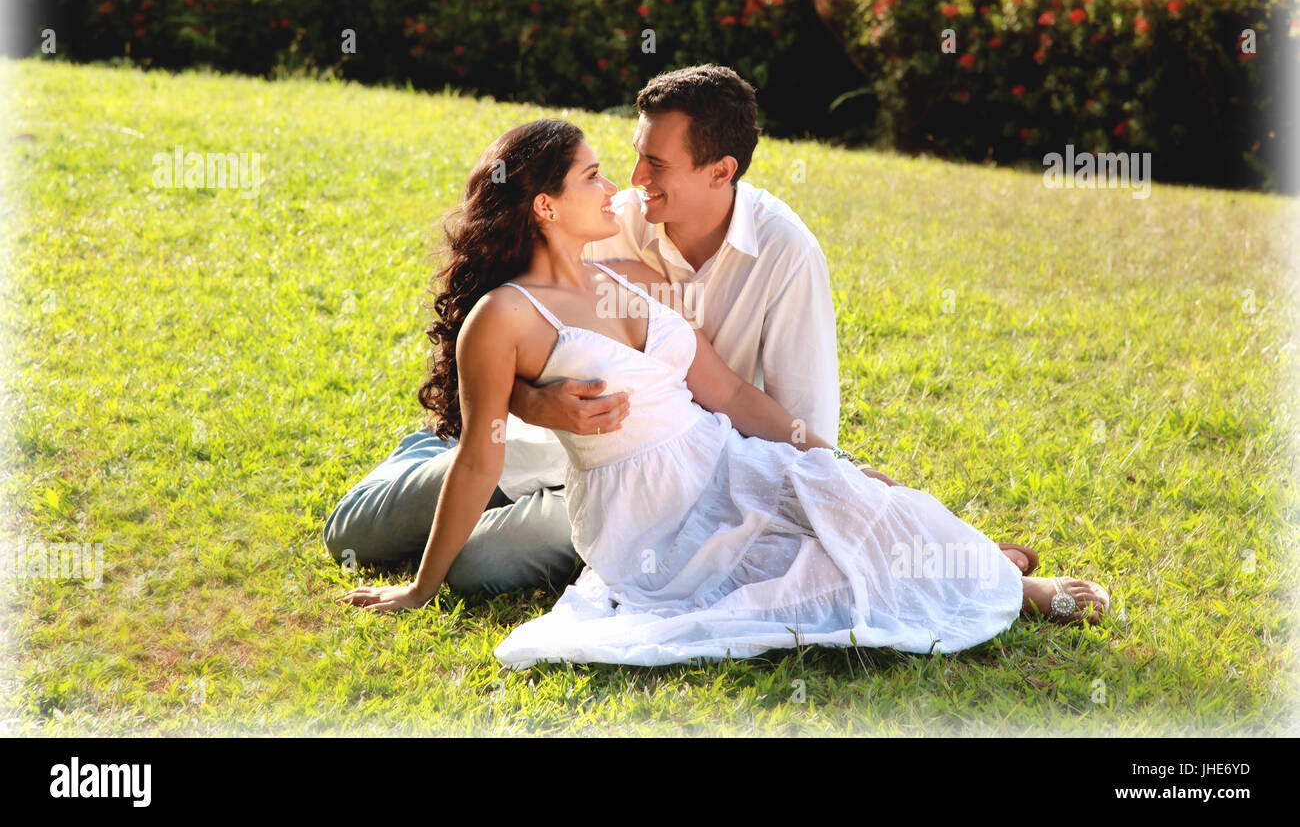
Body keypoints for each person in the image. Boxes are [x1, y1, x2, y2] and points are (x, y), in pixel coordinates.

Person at [339, 119, 1110, 668]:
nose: (620, 187)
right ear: (545, 207)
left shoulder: (627, 278)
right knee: (791, 576)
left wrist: (827, 455)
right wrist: (420, 589)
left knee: (849, 499)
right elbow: (480, 459)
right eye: (595, 175)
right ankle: (998, 580)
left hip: (721, 459)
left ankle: (998, 575)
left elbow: (733, 393)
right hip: (642, 511)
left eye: (621, 168)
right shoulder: (504, 316)